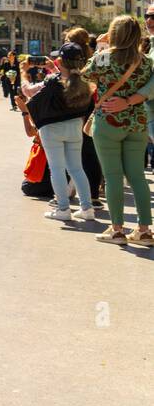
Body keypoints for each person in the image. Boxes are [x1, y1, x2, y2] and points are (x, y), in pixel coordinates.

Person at [83, 15, 154, 245]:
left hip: (108, 122)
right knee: (137, 176)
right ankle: (144, 231)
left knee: (113, 176)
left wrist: (101, 46)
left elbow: (85, 75)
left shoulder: (103, 58)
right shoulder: (145, 61)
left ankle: (117, 230)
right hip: (137, 122)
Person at [23, 43, 96, 222]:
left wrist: (23, 73)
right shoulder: (84, 81)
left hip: (52, 128)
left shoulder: (52, 81)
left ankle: (63, 208)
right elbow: (69, 76)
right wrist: (54, 67)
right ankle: (87, 208)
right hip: (74, 127)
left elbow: (28, 92)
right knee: (76, 168)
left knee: (56, 168)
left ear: (61, 60)